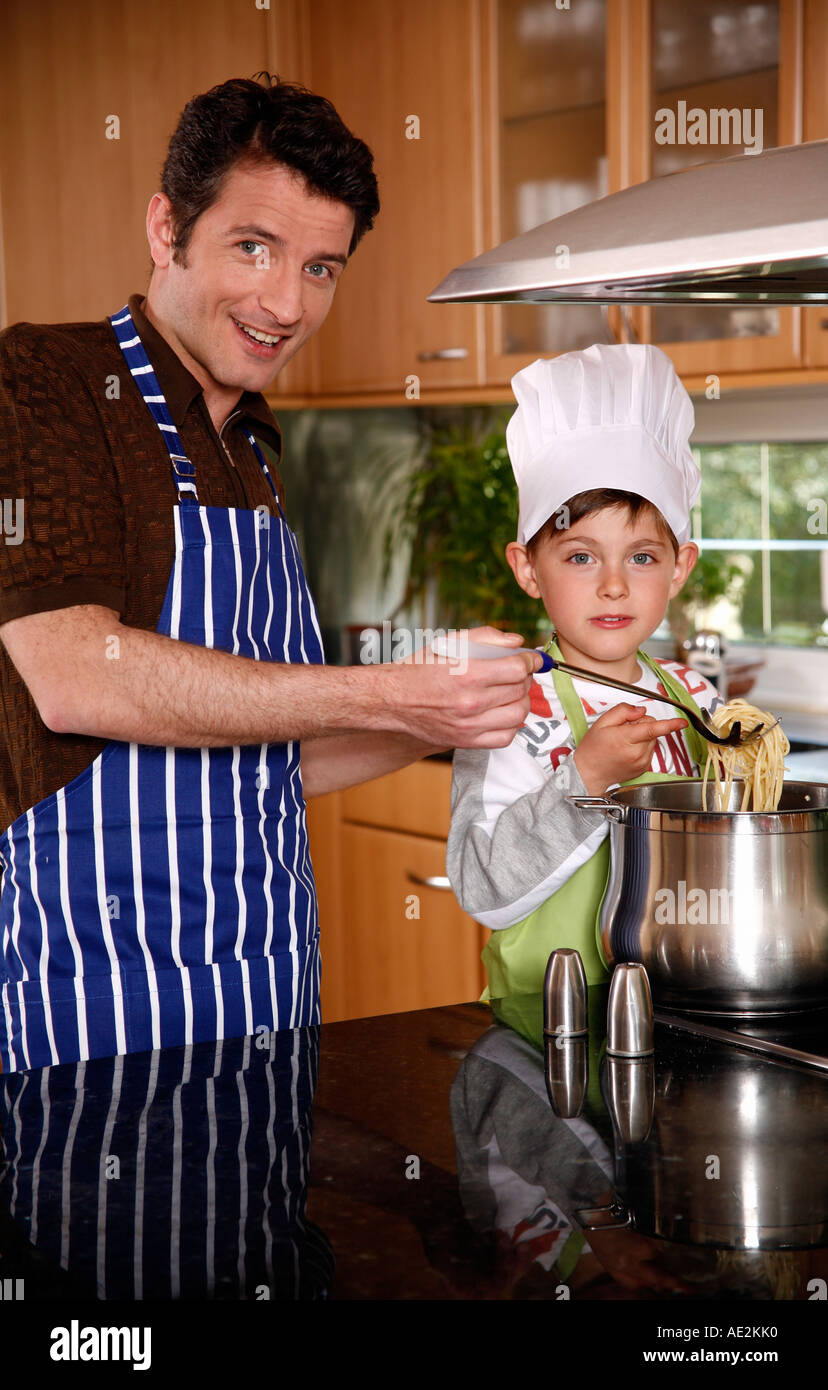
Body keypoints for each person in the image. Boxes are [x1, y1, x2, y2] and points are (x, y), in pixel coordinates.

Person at [0, 74, 539, 1073]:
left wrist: (448, 714)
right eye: (254, 247)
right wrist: (389, 686)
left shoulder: (253, 446)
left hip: (267, 995)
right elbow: (79, 676)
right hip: (97, 1007)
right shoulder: (46, 383)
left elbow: (268, 761)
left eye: (322, 268)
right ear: (168, 228)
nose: (286, 304)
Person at [446, 343, 722, 999]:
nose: (614, 586)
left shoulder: (700, 700)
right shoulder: (507, 705)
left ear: (680, 567)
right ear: (527, 568)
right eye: (579, 557)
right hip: (548, 1028)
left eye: (643, 558)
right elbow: (481, 888)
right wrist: (588, 778)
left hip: (684, 1003)